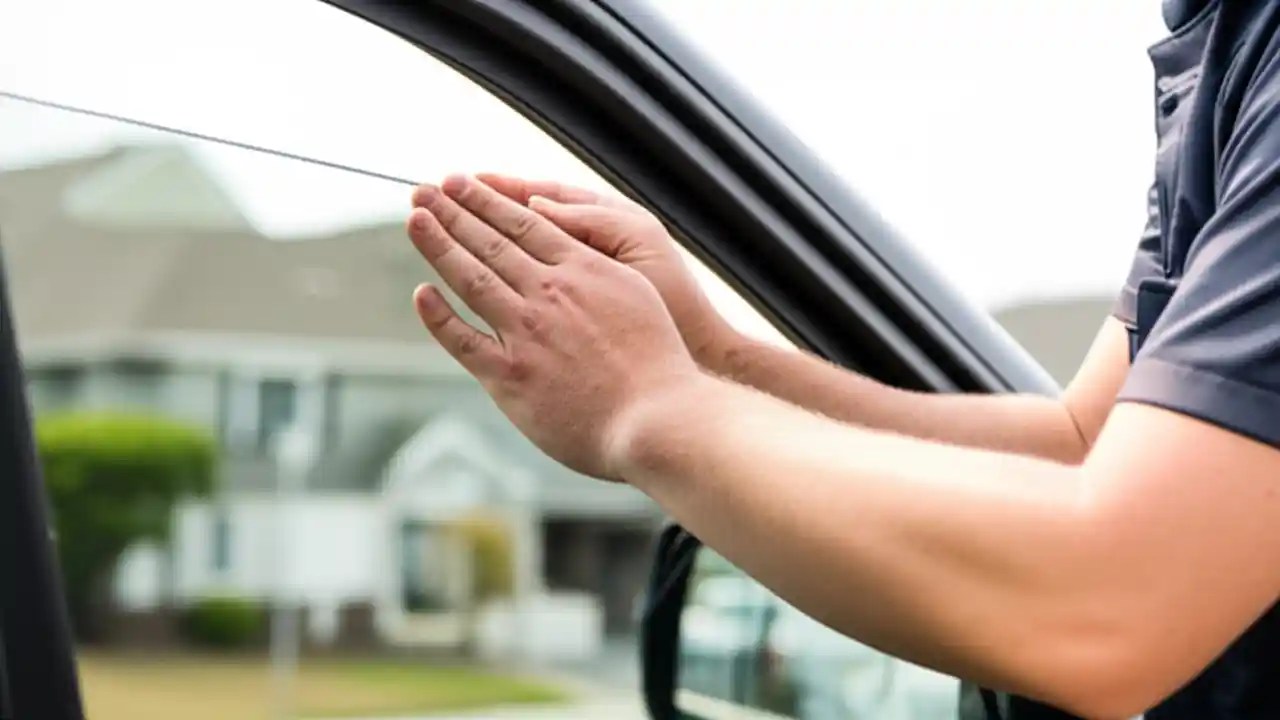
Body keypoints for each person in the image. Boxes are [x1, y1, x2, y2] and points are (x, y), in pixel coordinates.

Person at [402, 1, 1280, 717]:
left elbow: (1109, 607)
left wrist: (648, 409)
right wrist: (711, 357)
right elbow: (1083, 440)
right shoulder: (1225, 38)